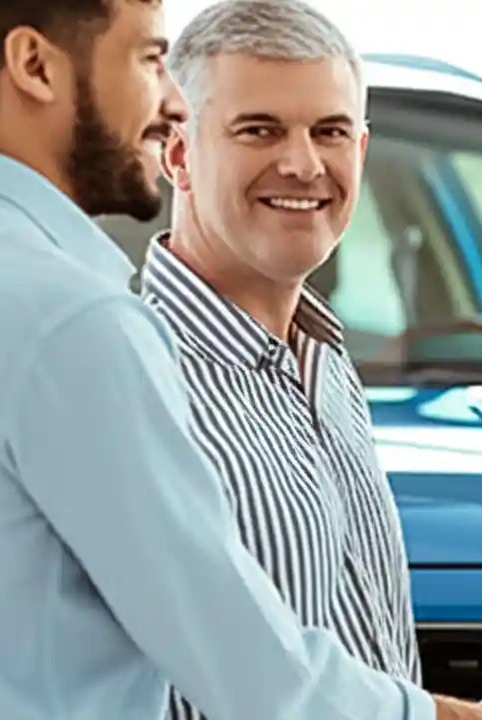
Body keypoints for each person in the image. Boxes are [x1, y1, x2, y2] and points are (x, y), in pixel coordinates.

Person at [0, 1, 482, 718]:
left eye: (331, 131)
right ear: (34, 66)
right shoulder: (76, 324)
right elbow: (253, 676)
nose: (166, 106)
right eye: (146, 60)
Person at [140, 1, 418, 717]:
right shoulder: (134, 381)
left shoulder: (326, 363)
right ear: (177, 153)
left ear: (360, 150)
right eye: (258, 130)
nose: (303, 164)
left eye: (330, 132)